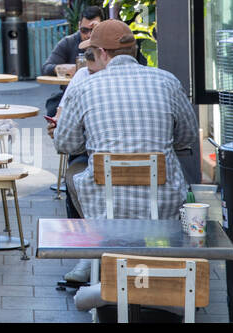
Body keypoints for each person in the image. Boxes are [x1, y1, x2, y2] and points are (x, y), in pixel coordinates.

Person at [51, 19, 198, 285]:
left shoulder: (84, 87)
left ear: (103, 54)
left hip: (104, 204)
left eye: (92, 53)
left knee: (75, 171)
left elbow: (65, 144)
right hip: (164, 202)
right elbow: (188, 136)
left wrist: (93, 137)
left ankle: (93, 250)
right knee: (171, 163)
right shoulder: (167, 81)